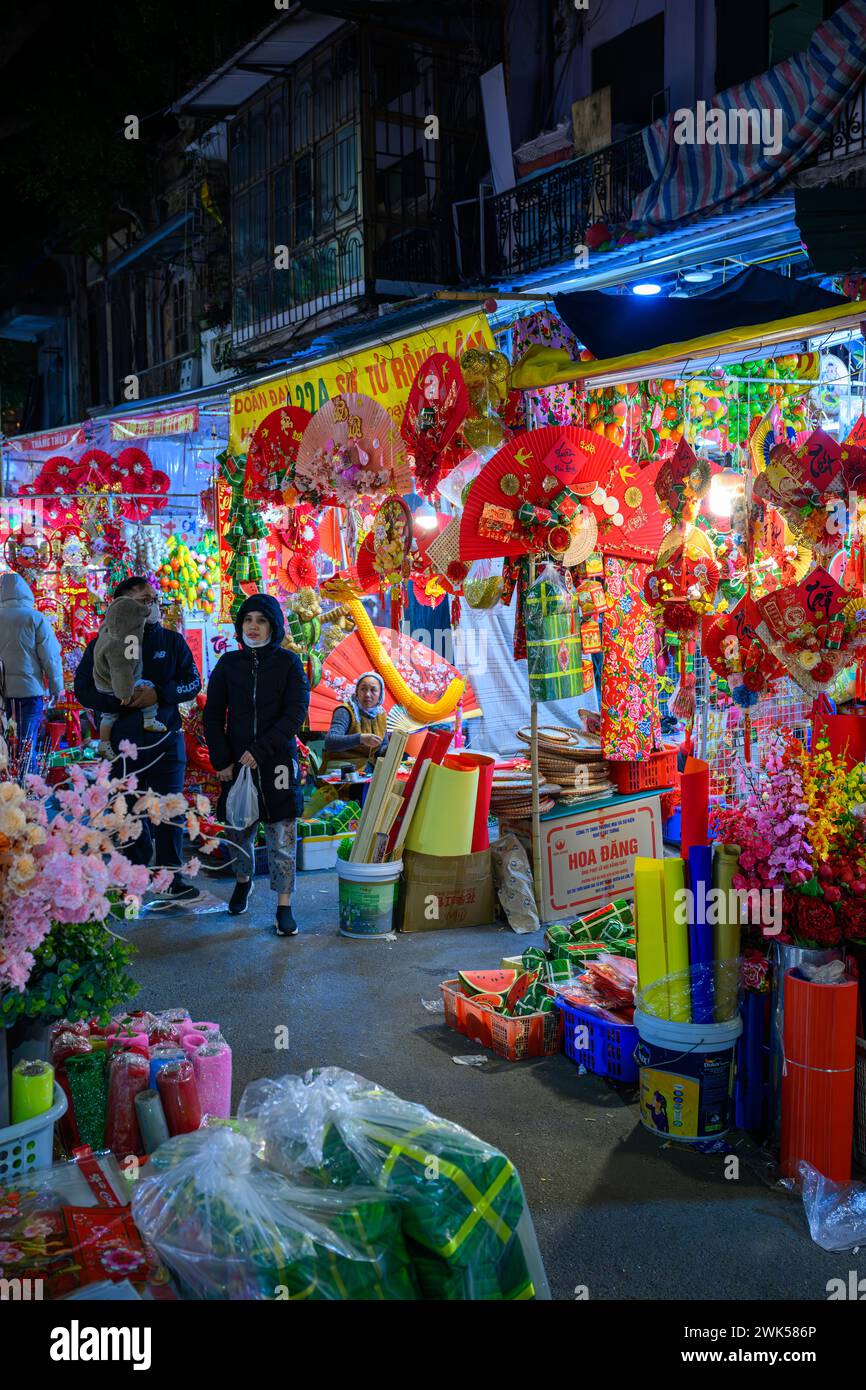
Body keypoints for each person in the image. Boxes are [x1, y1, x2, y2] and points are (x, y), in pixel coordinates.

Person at [75, 575, 202, 904]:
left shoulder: (172, 642)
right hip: (123, 749)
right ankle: (135, 876)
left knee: (170, 810)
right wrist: (118, 700)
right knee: (128, 814)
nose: (151, 606)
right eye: (141, 601)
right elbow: (83, 690)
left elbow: (193, 682)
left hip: (166, 743)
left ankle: (171, 878)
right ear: (120, 607)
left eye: (152, 600)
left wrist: (159, 695)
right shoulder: (102, 643)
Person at [203, 594, 309, 937]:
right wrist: (222, 759)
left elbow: (295, 714)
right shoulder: (227, 665)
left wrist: (261, 750)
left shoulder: (289, 664)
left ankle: (283, 905)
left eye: (261, 620)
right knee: (239, 833)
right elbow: (213, 715)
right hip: (236, 766)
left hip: (277, 763)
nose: (253, 626)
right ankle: (242, 881)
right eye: (247, 620)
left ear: (273, 626)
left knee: (281, 838)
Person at [0, 572, 64, 767]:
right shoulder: (35, 618)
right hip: (29, 690)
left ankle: (6, 789)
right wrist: (56, 686)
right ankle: (27, 786)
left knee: (3, 743)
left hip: (2, 693)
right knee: (27, 741)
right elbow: (50, 657)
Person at [92, 595, 167, 756]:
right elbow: (122, 669)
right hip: (115, 685)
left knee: (109, 714)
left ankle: (105, 742)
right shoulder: (121, 640)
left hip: (106, 683)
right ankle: (147, 720)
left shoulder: (109, 634)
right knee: (112, 713)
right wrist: (124, 693)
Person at [322, 671, 390, 773]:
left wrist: (392, 748)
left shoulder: (381, 715)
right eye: (363, 689)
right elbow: (330, 742)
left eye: (373, 690)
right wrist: (360, 738)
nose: (367, 694)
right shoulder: (345, 711)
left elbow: (380, 749)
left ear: (381, 694)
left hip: (367, 770)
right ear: (357, 691)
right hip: (341, 771)